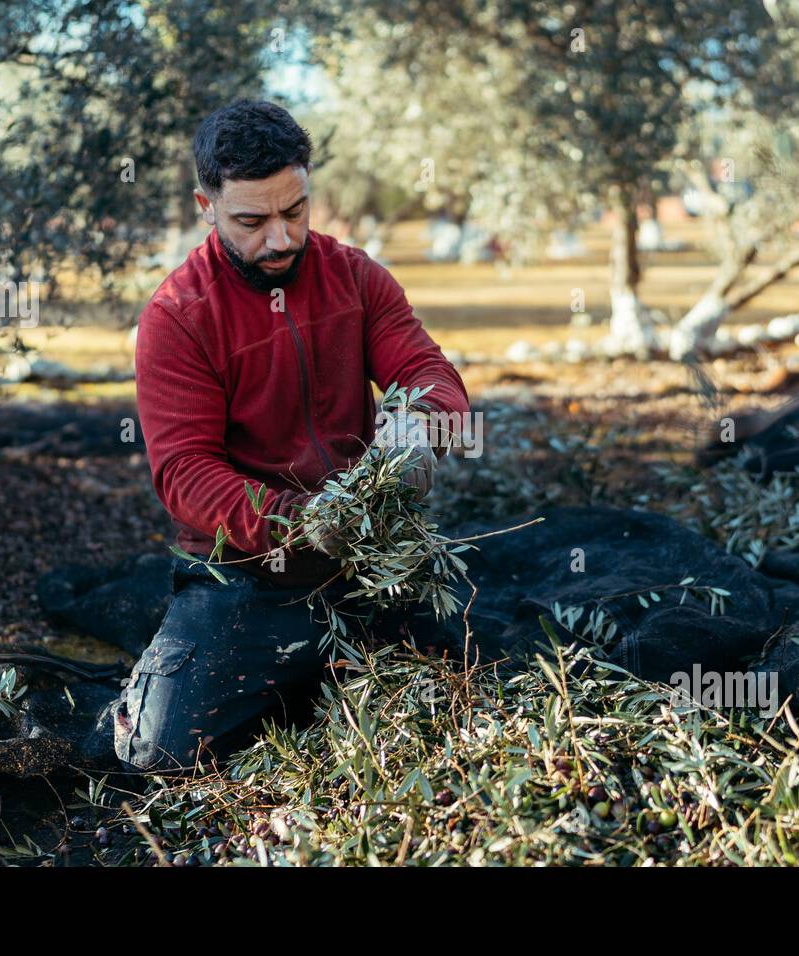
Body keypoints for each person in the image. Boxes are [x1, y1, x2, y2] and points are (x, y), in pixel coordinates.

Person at [113, 100, 471, 773]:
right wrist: (299, 521)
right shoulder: (178, 317)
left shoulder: (356, 278)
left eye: (295, 212)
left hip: (365, 561)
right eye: (252, 221)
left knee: (470, 685)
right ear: (206, 206)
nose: (279, 239)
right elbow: (185, 475)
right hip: (243, 574)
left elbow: (425, 368)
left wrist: (423, 424)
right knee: (158, 752)